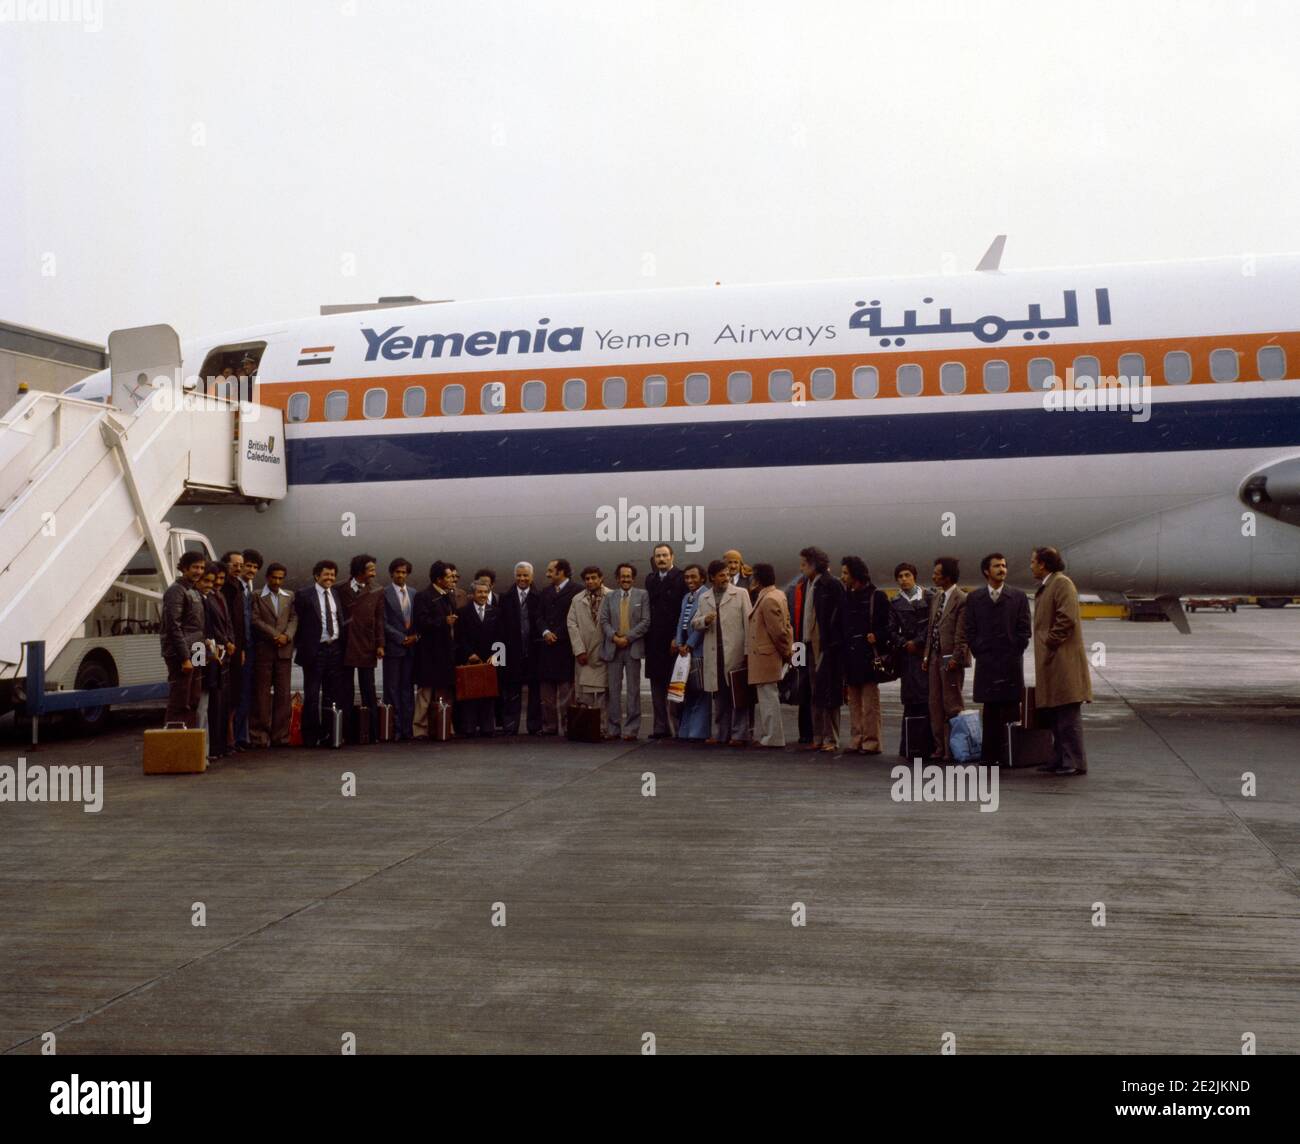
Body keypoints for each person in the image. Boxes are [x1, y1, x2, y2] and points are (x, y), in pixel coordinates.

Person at [964, 552, 1032, 766]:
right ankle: (989, 755)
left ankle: (1010, 754)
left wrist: (1015, 650)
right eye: (996, 566)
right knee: (991, 710)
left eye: (1003, 565)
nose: (1002, 569)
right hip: (987, 662)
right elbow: (970, 629)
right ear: (986, 571)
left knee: (1011, 709)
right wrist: (979, 651)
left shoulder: (1018, 596)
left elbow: (1024, 630)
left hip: (1010, 662)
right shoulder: (975, 598)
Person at [1030, 546, 1092, 775]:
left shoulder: (1061, 583)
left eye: (1033, 561)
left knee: (1067, 714)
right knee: (1055, 714)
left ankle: (1074, 762)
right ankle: (1058, 759)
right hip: (1053, 660)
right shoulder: (1049, 585)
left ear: (1043, 564)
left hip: (1062, 659)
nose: (1031, 565)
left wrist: (1050, 643)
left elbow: (1067, 618)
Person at [691, 558, 752, 746]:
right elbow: (695, 623)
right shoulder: (704, 597)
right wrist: (705, 621)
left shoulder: (741, 594)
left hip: (734, 652)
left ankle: (739, 734)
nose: (726, 577)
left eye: (727, 574)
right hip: (714, 653)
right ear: (712, 578)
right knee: (719, 695)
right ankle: (721, 734)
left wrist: (748, 651)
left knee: (738, 695)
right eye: (721, 575)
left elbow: (748, 623)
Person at [294, 559, 347, 747]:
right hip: (315, 650)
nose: (330, 578)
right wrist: (304, 646)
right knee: (312, 694)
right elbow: (297, 623)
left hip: (334, 649)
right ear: (317, 575)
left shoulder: (335, 593)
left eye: (333, 575)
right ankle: (310, 736)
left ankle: (328, 734)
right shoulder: (304, 595)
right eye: (326, 574)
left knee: (332, 694)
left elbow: (338, 618)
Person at [840, 556, 891, 755]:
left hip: (868, 655)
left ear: (855, 574)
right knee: (854, 701)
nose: (842, 577)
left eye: (845, 573)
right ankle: (857, 738)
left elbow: (888, 626)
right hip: (851, 655)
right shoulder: (847, 596)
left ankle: (871, 741)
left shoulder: (876, 596)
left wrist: (877, 636)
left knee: (869, 702)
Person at [798, 546, 845, 753]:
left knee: (828, 692)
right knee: (815, 692)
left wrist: (833, 644)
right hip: (809, 643)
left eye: (803, 564)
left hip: (825, 645)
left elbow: (839, 617)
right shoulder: (807, 584)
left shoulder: (831, 585)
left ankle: (831, 738)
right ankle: (818, 736)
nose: (801, 568)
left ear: (814, 564)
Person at [922, 556, 969, 761]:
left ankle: (955, 748)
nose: (933, 576)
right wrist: (926, 656)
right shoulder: (937, 598)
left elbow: (962, 633)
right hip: (934, 657)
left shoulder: (961, 599)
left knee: (952, 704)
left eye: (937, 573)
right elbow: (931, 629)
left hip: (950, 658)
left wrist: (957, 658)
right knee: (935, 704)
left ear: (948, 576)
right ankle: (940, 747)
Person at [599, 563, 650, 740]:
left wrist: (627, 638)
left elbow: (645, 621)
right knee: (613, 690)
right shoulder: (609, 596)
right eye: (622, 576)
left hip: (632, 647)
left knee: (633, 691)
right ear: (617, 578)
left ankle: (631, 730)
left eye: (628, 576)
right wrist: (614, 637)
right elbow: (604, 620)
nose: (625, 579)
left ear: (633, 578)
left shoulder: (642, 595)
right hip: (614, 648)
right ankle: (614, 729)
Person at [250, 561, 297, 747]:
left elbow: (294, 618)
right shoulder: (256, 596)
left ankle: (280, 736)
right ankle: (259, 736)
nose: (277, 581)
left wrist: (288, 635)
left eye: (280, 578)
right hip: (264, 651)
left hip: (284, 652)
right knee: (261, 695)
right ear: (267, 577)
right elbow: (254, 619)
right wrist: (276, 635)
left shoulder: (290, 596)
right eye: (274, 578)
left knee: (283, 695)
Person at [746, 563, 793, 748]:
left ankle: (773, 737)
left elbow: (778, 631)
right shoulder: (777, 594)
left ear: (757, 579)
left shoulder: (768, 599)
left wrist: (786, 652)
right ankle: (770, 735)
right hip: (767, 656)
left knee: (768, 699)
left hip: (766, 656)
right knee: (767, 697)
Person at [339, 553, 385, 743]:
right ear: (360, 570)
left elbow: (379, 619)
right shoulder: (340, 588)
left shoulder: (377, 590)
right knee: (345, 689)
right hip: (346, 644)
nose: (374, 572)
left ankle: (372, 733)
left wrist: (380, 644)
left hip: (367, 643)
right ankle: (346, 732)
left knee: (369, 688)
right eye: (371, 569)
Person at [889, 562, 932, 758]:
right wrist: (904, 643)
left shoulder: (929, 597)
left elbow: (932, 624)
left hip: (924, 653)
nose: (904, 579)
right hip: (907, 656)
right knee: (910, 699)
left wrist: (918, 641)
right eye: (900, 576)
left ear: (914, 576)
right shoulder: (895, 603)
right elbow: (891, 630)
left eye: (907, 575)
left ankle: (926, 744)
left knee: (926, 698)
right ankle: (909, 744)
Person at [644, 543, 687, 738]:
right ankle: (660, 727)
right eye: (658, 556)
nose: (661, 559)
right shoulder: (650, 579)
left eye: (664, 555)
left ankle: (677, 728)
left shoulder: (681, 578)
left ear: (672, 557)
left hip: (672, 641)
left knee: (674, 687)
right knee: (657, 687)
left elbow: (682, 611)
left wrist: (677, 638)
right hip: (654, 641)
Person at [160, 552, 206, 728]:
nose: (199, 571)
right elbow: (173, 626)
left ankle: (190, 745)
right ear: (184, 568)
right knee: (180, 699)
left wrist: (202, 655)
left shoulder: (194, 590)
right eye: (195, 567)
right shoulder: (176, 591)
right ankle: (174, 746)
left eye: (202, 567)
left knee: (194, 698)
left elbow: (198, 627)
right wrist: (185, 658)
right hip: (181, 653)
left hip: (197, 649)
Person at [496, 561, 543, 735]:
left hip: (533, 652)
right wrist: (500, 655)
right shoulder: (506, 598)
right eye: (519, 575)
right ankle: (510, 725)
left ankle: (534, 726)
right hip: (512, 653)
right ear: (514, 576)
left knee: (535, 692)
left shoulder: (539, 597)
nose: (522, 578)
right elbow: (500, 629)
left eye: (525, 575)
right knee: (511, 691)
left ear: (532, 577)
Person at [413, 561, 458, 739]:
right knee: (425, 692)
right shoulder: (423, 596)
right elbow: (421, 622)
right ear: (438, 579)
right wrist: (442, 622)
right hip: (429, 653)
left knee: (444, 692)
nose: (451, 580)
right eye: (448, 577)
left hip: (445, 652)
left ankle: (444, 725)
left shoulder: (449, 596)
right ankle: (419, 729)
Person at [537, 558, 582, 735]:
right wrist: (545, 631)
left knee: (566, 694)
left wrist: (558, 633)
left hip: (565, 647)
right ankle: (549, 727)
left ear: (561, 572)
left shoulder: (577, 591)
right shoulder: (545, 591)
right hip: (547, 648)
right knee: (546, 695)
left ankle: (568, 726)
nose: (547, 574)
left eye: (550, 571)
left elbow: (575, 618)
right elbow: (539, 616)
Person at [567, 566, 612, 728]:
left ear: (601, 578)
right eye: (587, 579)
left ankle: (603, 728)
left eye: (594, 578)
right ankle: (587, 729)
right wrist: (579, 650)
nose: (590, 581)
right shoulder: (577, 599)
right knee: (584, 694)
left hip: (603, 653)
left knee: (602, 694)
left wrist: (608, 649)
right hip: (584, 654)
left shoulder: (611, 596)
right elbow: (572, 625)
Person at [456, 579, 502, 738]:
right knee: (470, 694)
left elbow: (501, 636)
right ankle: (468, 727)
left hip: (490, 660)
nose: (483, 595)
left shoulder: (496, 612)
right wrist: (469, 654)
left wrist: (495, 655)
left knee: (488, 694)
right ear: (472, 594)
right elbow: (460, 637)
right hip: (470, 659)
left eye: (485, 592)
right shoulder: (462, 612)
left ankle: (487, 727)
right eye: (479, 592)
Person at [199, 562, 235, 761]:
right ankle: (210, 748)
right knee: (210, 703)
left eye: (220, 579)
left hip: (223, 653)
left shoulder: (220, 597)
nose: (217, 583)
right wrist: (223, 643)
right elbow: (209, 627)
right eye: (214, 580)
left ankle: (218, 747)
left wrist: (231, 642)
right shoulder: (205, 599)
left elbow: (228, 623)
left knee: (221, 702)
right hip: (212, 653)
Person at [381, 558, 419, 741]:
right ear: (391, 574)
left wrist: (415, 637)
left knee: (407, 690)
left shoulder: (413, 593)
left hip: (411, 650)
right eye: (398, 572)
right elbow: (383, 622)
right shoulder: (384, 593)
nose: (401, 575)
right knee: (392, 690)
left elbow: (418, 620)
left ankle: (407, 729)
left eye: (404, 572)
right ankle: (394, 729)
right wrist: (401, 638)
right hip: (394, 649)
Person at [673, 564, 711, 741]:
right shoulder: (686, 597)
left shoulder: (707, 596)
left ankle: (698, 731)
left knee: (701, 692)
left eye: (693, 577)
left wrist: (689, 644)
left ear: (702, 578)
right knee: (687, 691)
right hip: (686, 652)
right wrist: (680, 642)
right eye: (687, 577)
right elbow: (682, 621)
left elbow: (702, 626)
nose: (689, 580)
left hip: (700, 651)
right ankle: (686, 730)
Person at [233, 547, 263, 749]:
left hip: (250, 647)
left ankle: (241, 736)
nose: (251, 570)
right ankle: (236, 737)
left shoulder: (248, 589)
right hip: (239, 648)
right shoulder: (235, 588)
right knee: (239, 693)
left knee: (246, 692)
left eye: (254, 567)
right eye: (248, 566)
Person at [219, 550, 248, 750]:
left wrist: (243, 647)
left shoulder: (239, 586)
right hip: (225, 646)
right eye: (234, 564)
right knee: (224, 693)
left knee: (235, 692)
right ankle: (226, 740)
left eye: (241, 564)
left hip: (237, 647)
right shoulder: (223, 588)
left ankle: (231, 738)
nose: (238, 568)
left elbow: (240, 622)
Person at [784, 570, 814, 744]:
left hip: (802, 645)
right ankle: (807, 732)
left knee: (806, 686)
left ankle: (808, 732)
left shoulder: (796, 587)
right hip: (800, 645)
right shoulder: (795, 587)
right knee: (803, 686)